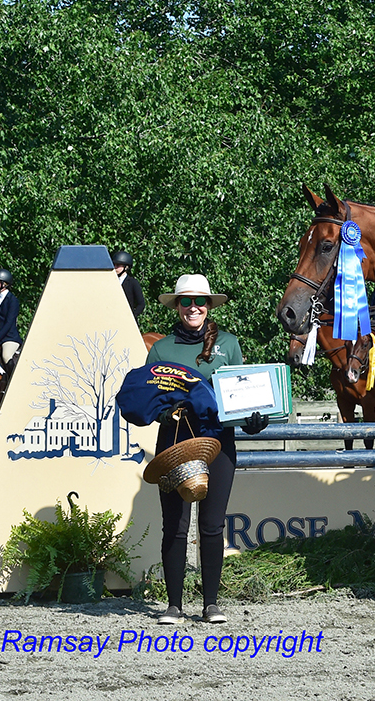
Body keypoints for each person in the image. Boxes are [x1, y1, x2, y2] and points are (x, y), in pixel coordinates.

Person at [146, 274, 267, 626]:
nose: (193, 307)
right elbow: (148, 399)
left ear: (209, 305)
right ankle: (173, 605)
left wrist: (253, 421)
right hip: (174, 442)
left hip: (219, 444)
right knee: (176, 526)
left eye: (200, 301)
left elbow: (241, 398)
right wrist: (164, 412)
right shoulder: (160, 348)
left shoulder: (229, 344)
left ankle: (211, 604)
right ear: (177, 306)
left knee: (213, 525)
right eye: (186, 301)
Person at [112, 250, 146, 318]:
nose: (115, 268)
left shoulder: (133, 282)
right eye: (114, 265)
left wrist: (132, 315)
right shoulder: (111, 282)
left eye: (118, 265)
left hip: (127, 319)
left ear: (126, 267)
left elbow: (141, 304)